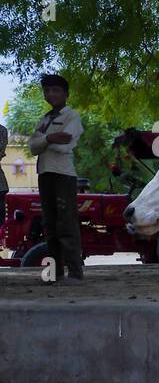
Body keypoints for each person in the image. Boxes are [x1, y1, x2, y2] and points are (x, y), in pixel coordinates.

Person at [28, 74, 84, 283]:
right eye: (47, 90)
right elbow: (32, 147)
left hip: (63, 175)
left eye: (56, 90)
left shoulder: (72, 116)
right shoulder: (44, 119)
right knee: (50, 225)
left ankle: (76, 274)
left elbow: (66, 143)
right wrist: (51, 137)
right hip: (44, 173)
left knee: (66, 223)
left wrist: (44, 141)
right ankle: (54, 273)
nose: (51, 94)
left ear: (66, 94)